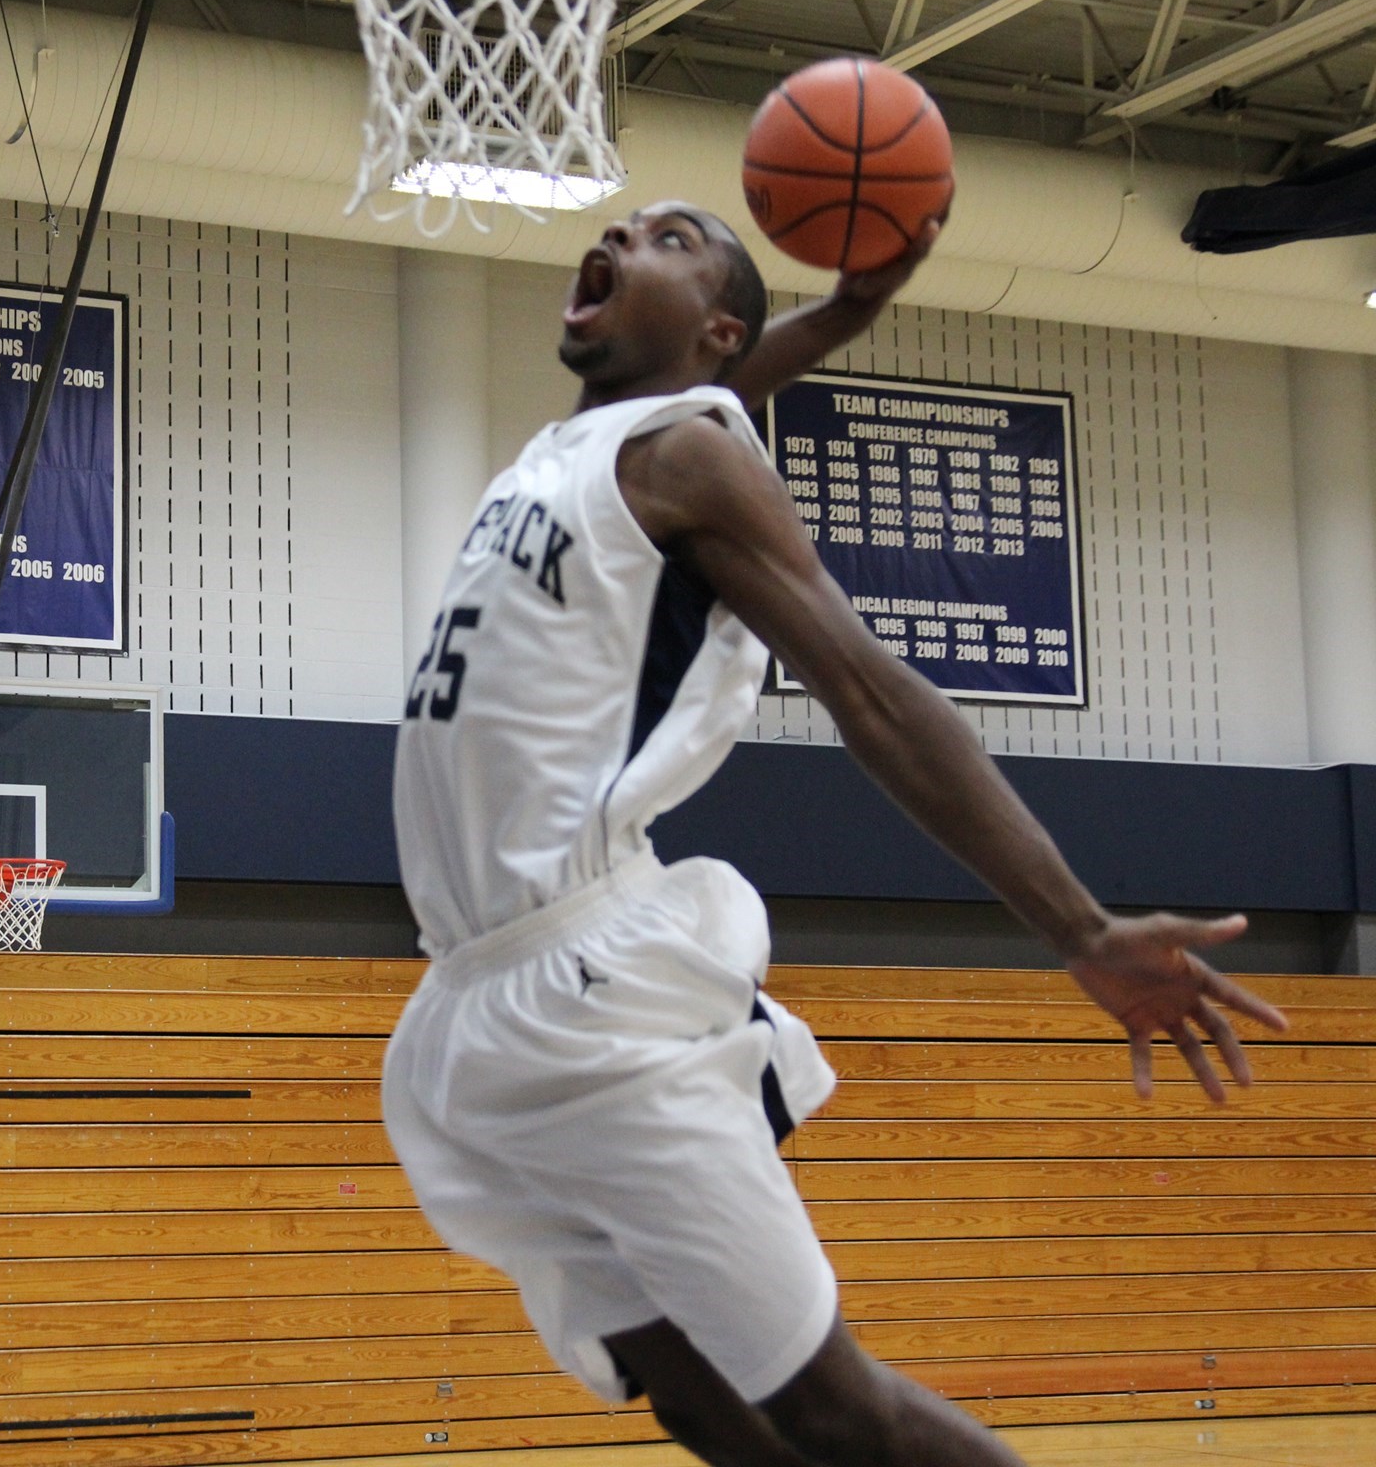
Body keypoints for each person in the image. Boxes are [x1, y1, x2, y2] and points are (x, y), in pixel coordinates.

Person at [383, 201, 1289, 1467]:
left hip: (586, 992)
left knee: (830, 1411)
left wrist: (1078, 926)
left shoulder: (686, 459)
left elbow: (870, 693)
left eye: (670, 234)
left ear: (713, 326)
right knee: (700, 1396)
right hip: (465, 1018)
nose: (622, 228)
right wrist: (847, 312)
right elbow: (718, 374)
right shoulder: (589, 446)